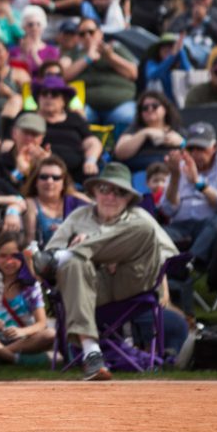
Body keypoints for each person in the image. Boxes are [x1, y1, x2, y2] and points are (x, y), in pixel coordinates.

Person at [34, 163, 178, 380]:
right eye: (105, 190)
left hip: (132, 281)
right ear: (94, 192)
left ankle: (77, 252)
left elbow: (169, 252)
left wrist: (113, 251)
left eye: (119, 192)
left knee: (144, 230)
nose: (111, 196)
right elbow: (50, 258)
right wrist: (97, 258)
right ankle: (92, 354)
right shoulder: (78, 216)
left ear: (128, 198)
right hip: (90, 286)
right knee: (72, 263)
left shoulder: (138, 216)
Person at [159, 122, 217, 264]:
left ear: (214, 147)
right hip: (181, 226)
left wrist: (199, 184)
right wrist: (174, 176)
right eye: (191, 149)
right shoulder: (179, 166)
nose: (195, 154)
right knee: (154, 233)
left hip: (210, 225)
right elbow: (167, 210)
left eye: (201, 148)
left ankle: (191, 263)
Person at [62, 17, 138, 132]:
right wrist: (88, 59)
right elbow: (64, 76)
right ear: (78, 38)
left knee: (128, 118)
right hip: (86, 106)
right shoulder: (73, 54)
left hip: (120, 104)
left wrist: (110, 57)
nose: (87, 36)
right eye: (82, 34)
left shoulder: (115, 48)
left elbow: (133, 73)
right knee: (74, 119)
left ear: (100, 33)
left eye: (91, 32)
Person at [0, 231, 54, 364]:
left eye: (15, 256)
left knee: (50, 334)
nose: (9, 261)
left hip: (23, 340)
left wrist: (21, 331)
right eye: (3, 256)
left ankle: (1, 354)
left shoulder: (30, 286)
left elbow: (41, 323)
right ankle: (14, 359)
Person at [32, 75, 101, 183]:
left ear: (64, 100)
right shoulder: (29, 118)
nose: (49, 97)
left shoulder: (75, 117)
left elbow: (92, 142)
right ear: (38, 98)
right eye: (44, 93)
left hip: (78, 170)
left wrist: (90, 161)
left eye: (54, 94)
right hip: (42, 172)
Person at [22, 155, 89, 248]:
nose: (49, 181)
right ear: (35, 182)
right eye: (43, 177)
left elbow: (98, 215)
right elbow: (30, 244)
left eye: (56, 178)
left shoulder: (74, 201)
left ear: (63, 183)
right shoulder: (30, 203)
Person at [113, 91, 186, 171]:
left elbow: (193, 154)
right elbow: (120, 153)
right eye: (145, 108)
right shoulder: (134, 130)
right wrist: (145, 133)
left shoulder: (177, 130)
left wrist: (181, 143)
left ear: (165, 109)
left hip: (171, 173)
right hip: (138, 172)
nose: (150, 109)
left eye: (155, 106)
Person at [167, 0, 217, 67]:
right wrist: (191, 23)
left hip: (206, 50)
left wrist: (205, 20)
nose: (199, 0)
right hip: (184, 49)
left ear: (210, 0)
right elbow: (170, 33)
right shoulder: (185, 15)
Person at [0, 112, 50, 191]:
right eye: (25, 132)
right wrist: (18, 172)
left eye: (34, 134)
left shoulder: (46, 161)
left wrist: (46, 166)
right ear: (14, 133)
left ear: (42, 138)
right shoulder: (0, 161)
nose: (29, 138)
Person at [141, 34, 193, 103]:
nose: (167, 50)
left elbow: (189, 73)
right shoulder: (152, 63)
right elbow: (152, 75)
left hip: (178, 103)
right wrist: (171, 57)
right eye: (164, 47)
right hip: (159, 104)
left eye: (170, 47)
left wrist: (180, 51)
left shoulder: (179, 64)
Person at [10, 5, 59, 74]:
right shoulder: (15, 51)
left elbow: (51, 73)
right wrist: (23, 54)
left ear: (43, 27)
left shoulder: (51, 51)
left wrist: (34, 55)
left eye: (38, 24)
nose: (34, 28)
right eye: (30, 24)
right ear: (24, 27)